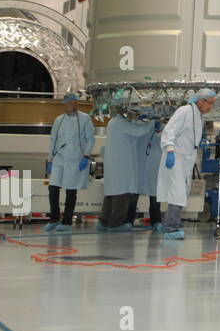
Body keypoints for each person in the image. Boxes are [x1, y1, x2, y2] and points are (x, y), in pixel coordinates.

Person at [157, 89, 217, 240]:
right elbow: (168, 132)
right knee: (177, 192)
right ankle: (171, 227)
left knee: (181, 192)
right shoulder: (184, 111)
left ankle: (167, 224)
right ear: (201, 101)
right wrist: (170, 150)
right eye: (210, 104)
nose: (211, 107)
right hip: (176, 157)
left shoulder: (198, 115)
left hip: (186, 159)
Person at [44, 93, 95, 233]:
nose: (74, 106)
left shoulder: (84, 118)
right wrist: (50, 160)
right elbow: (53, 140)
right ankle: (54, 218)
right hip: (59, 158)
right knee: (53, 188)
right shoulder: (59, 120)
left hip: (76, 158)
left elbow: (90, 138)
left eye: (75, 103)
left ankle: (67, 222)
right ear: (64, 105)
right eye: (71, 103)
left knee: (71, 190)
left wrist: (86, 155)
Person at [100, 110, 154, 232]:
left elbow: (134, 129)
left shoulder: (114, 122)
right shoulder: (120, 123)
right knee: (121, 195)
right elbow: (138, 131)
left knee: (111, 195)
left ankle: (104, 221)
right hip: (121, 167)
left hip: (115, 166)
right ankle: (116, 224)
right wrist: (152, 123)